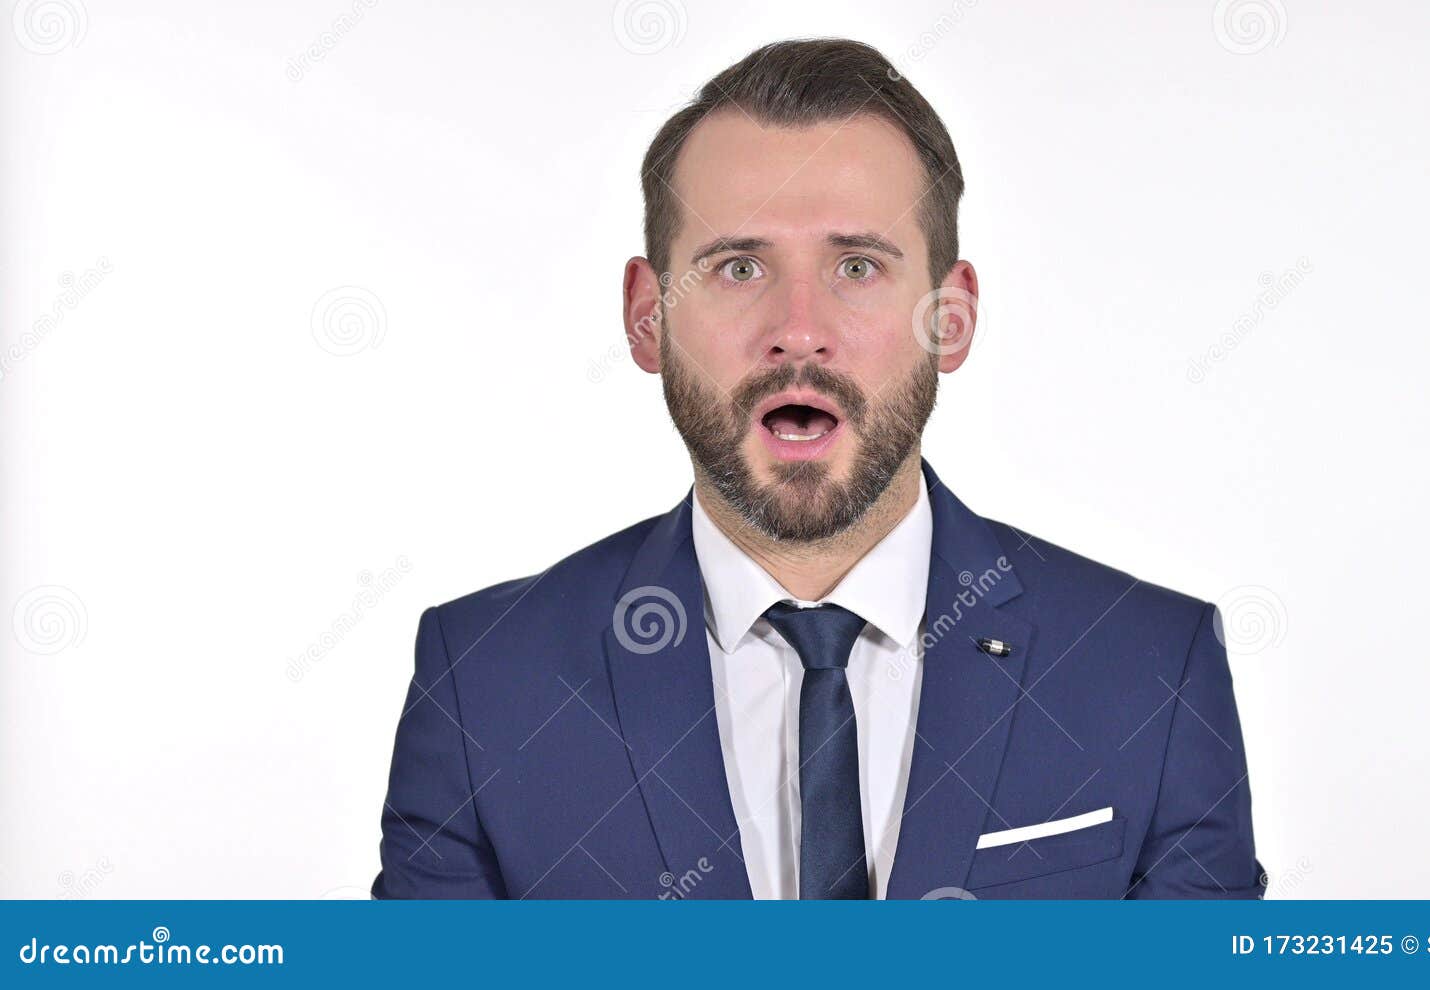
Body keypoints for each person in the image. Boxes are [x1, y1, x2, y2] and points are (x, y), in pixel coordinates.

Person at [372, 37, 1264, 900]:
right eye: (738, 265)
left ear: (949, 320)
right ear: (648, 318)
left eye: (858, 264)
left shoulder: (1154, 668)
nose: (798, 328)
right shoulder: (483, 684)